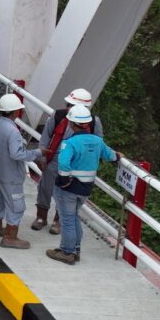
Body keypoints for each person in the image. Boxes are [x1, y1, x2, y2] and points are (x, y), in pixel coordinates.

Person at [47, 104, 117, 265]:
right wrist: (119, 157)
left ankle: (67, 252)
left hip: (68, 188)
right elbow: (110, 155)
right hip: (85, 188)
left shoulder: (70, 143)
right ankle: (75, 249)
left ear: (71, 123)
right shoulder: (98, 141)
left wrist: (64, 180)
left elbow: (64, 164)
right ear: (87, 123)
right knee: (74, 217)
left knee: (67, 220)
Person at [30, 88, 103, 234]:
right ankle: (41, 217)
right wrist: (42, 157)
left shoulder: (93, 122)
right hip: (55, 157)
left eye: (71, 105)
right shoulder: (57, 116)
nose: (68, 107)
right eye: (68, 104)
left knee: (66, 191)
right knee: (45, 186)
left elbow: (98, 143)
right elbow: (46, 137)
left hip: (77, 162)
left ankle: (58, 220)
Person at [0, 93, 40, 249]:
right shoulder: (13, 131)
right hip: (10, 175)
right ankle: (10, 237)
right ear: (16, 112)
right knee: (16, 206)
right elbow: (17, 154)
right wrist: (37, 153)